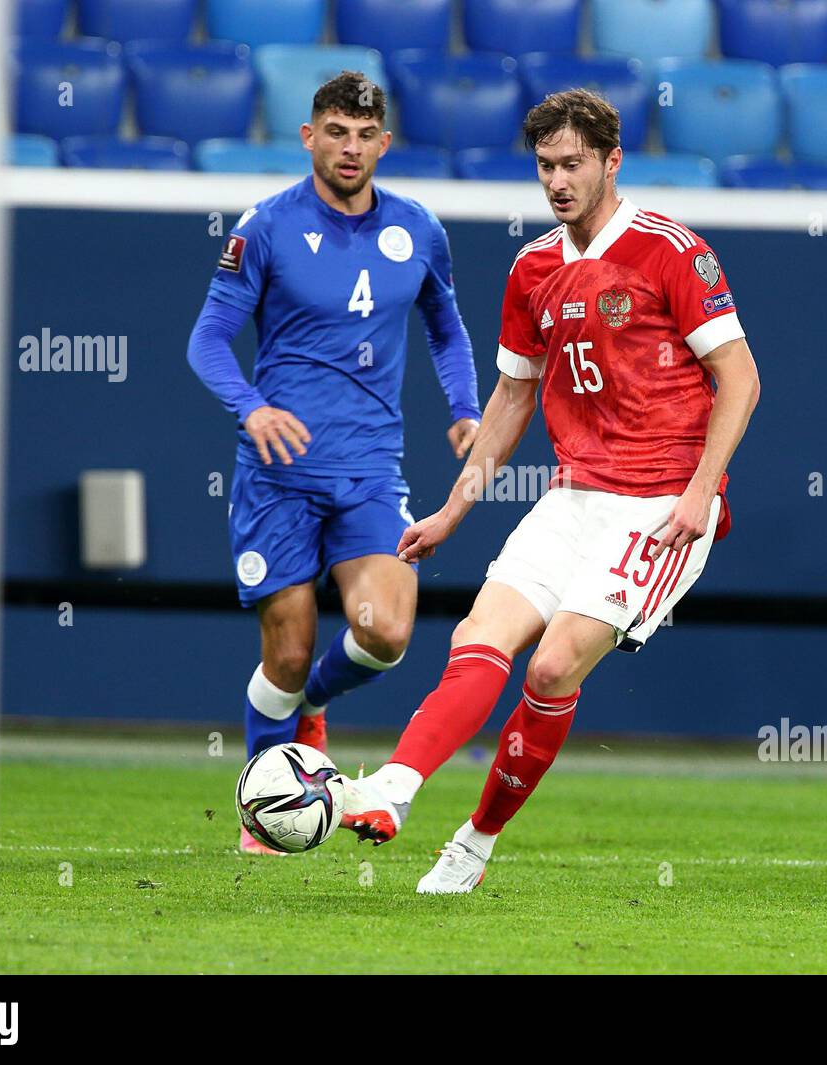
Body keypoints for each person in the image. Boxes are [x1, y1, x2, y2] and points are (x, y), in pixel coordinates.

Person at [339, 89, 762, 892]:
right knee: (480, 636)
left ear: (611, 160)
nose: (559, 181)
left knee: (550, 668)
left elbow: (740, 380)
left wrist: (702, 491)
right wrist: (452, 509)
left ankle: (474, 840)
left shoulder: (672, 251)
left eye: (573, 164)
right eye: (545, 166)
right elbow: (511, 397)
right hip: (573, 496)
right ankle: (394, 787)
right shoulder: (531, 268)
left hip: (663, 504)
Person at [186, 72, 482, 854]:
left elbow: (447, 332)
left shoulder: (418, 229)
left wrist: (465, 410)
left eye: (365, 135)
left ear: (384, 143)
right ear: (309, 137)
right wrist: (252, 407)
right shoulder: (266, 227)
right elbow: (207, 339)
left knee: (385, 633)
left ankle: (311, 707)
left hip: (370, 469)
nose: (350, 148)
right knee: (283, 649)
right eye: (335, 132)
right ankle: (264, 806)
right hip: (277, 473)